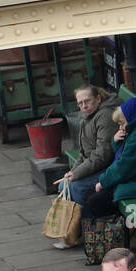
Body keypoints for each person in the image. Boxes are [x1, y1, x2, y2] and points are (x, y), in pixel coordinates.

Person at [77, 96, 136, 246]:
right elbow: (125, 157)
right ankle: (100, 242)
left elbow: (126, 165)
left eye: (121, 123)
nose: (121, 127)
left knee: (95, 200)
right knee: (89, 194)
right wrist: (116, 140)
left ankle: (112, 243)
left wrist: (104, 181)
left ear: (131, 117)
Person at [51, 86, 121, 251]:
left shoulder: (104, 117)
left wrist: (77, 174)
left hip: (108, 167)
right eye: (80, 103)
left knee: (76, 188)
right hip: (95, 165)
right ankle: (73, 232)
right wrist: (72, 171)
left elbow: (102, 155)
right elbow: (83, 152)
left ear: (98, 98)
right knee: (64, 185)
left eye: (87, 101)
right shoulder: (88, 118)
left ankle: (87, 232)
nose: (84, 106)